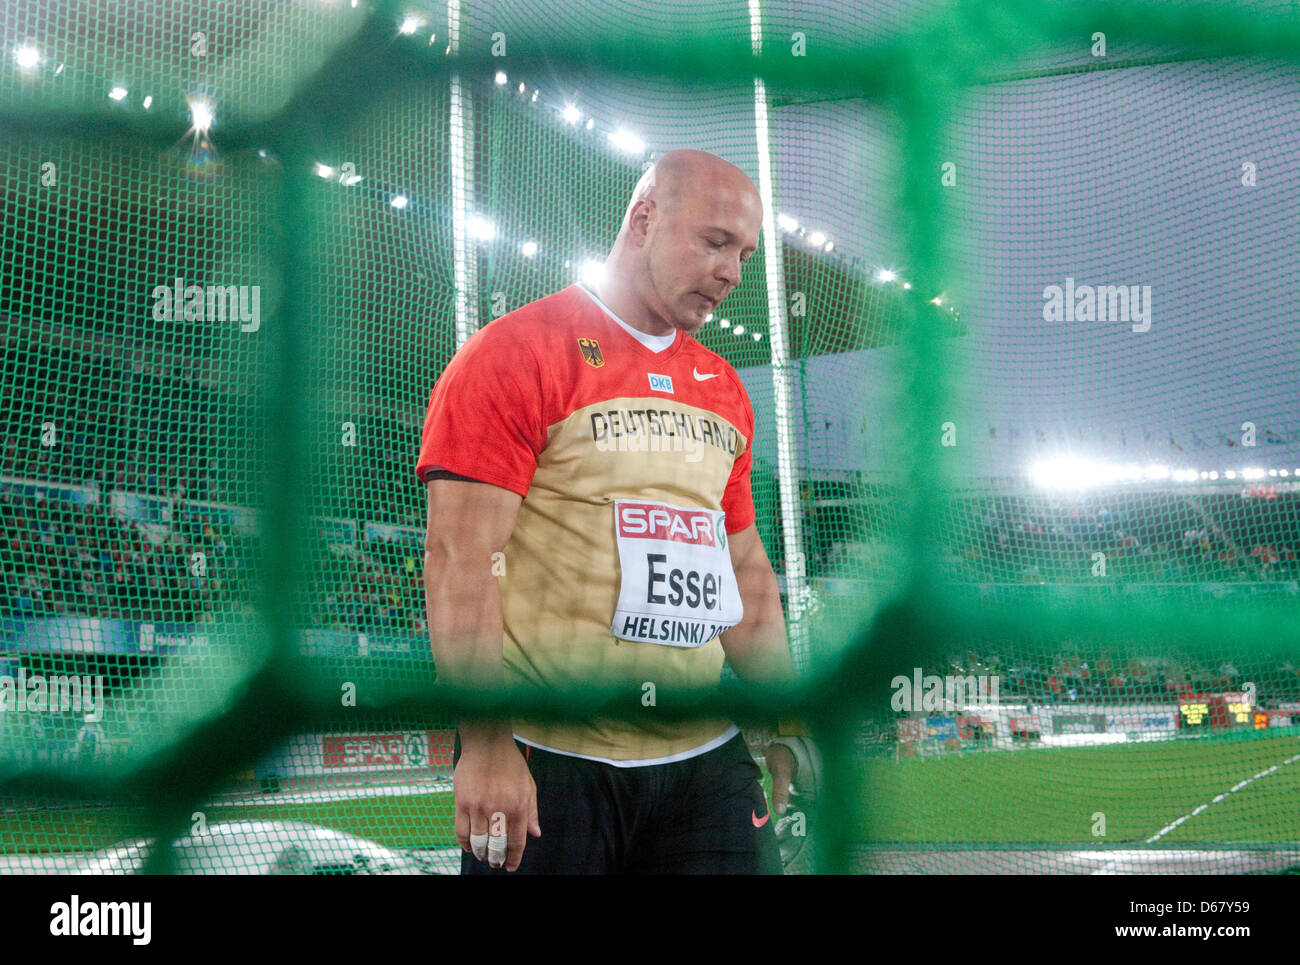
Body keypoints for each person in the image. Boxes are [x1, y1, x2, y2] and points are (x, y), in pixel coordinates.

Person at [417, 149, 817, 874]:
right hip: (554, 762)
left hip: (702, 763)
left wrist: (791, 718)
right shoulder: (515, 354)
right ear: (643, 219)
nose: (732, 271)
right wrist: (484, 744)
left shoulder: (723, 388)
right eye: (715, 241)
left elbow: (744, 568)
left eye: (746, 254)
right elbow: (460, 557)